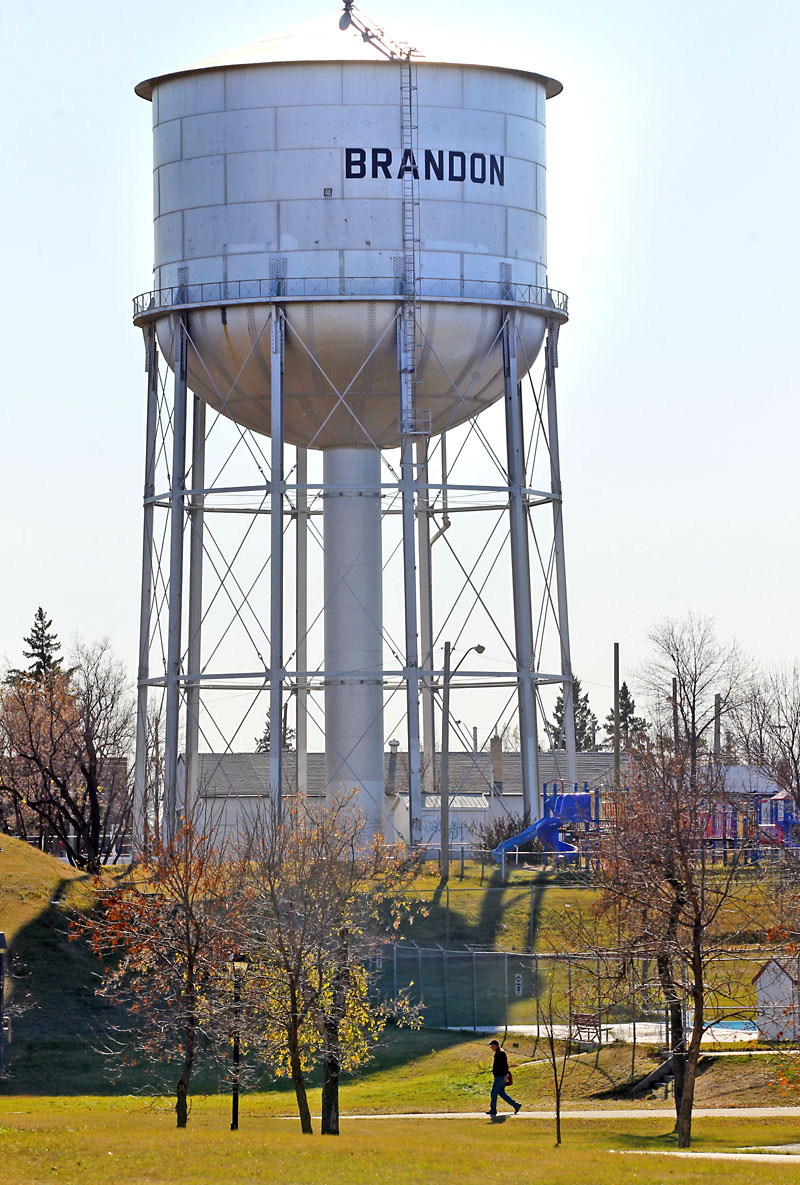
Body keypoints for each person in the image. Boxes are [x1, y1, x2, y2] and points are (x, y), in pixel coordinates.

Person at [486, 1039, 521, 1117]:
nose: (490, 1047)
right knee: (502, 1093)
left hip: (500, 1076)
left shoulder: (501, 1053)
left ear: (495, 1045)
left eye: (491, 1045)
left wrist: (505, 1075)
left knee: (493, 1092)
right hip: (499, 1076)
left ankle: (493, 1110)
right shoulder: (498, 1053)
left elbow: (505, 1065)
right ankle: (516, 1105)